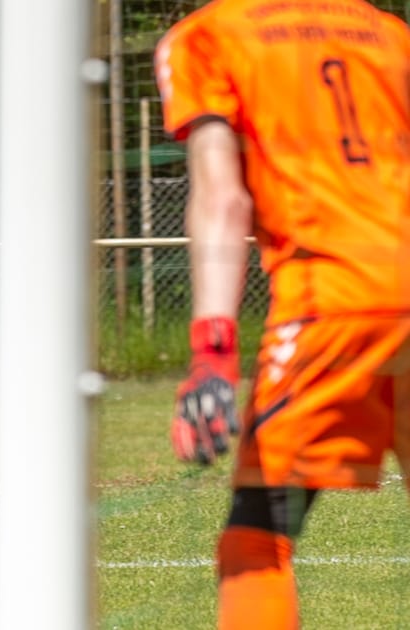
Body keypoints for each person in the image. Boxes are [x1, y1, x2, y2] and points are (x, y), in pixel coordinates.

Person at [156, 2, 410, 627]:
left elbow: (223, 196)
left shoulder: (210, 34)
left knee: (256, 538)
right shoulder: (391, 33)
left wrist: (212, 354)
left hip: (340, 299)